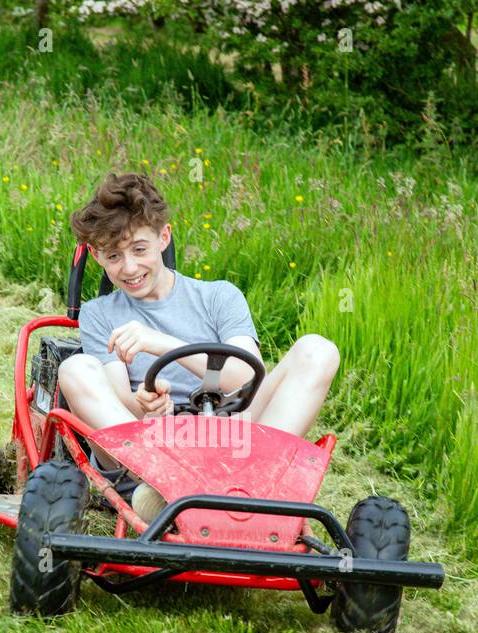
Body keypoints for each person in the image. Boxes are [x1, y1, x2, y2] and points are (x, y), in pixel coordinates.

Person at [61, 171, 340, 520]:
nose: (129, 268)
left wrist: (161, 344)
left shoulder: (218, 296)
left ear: (164, 237)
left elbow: (245, 377)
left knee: (318, 349)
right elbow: (121, 403)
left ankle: (254, 481)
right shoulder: (100, 312)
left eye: (139, 249)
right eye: (113, 256)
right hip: (149, 451)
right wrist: (147, 406)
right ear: (97, 257)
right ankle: (172, 488)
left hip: (232, 434)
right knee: (74, 368)